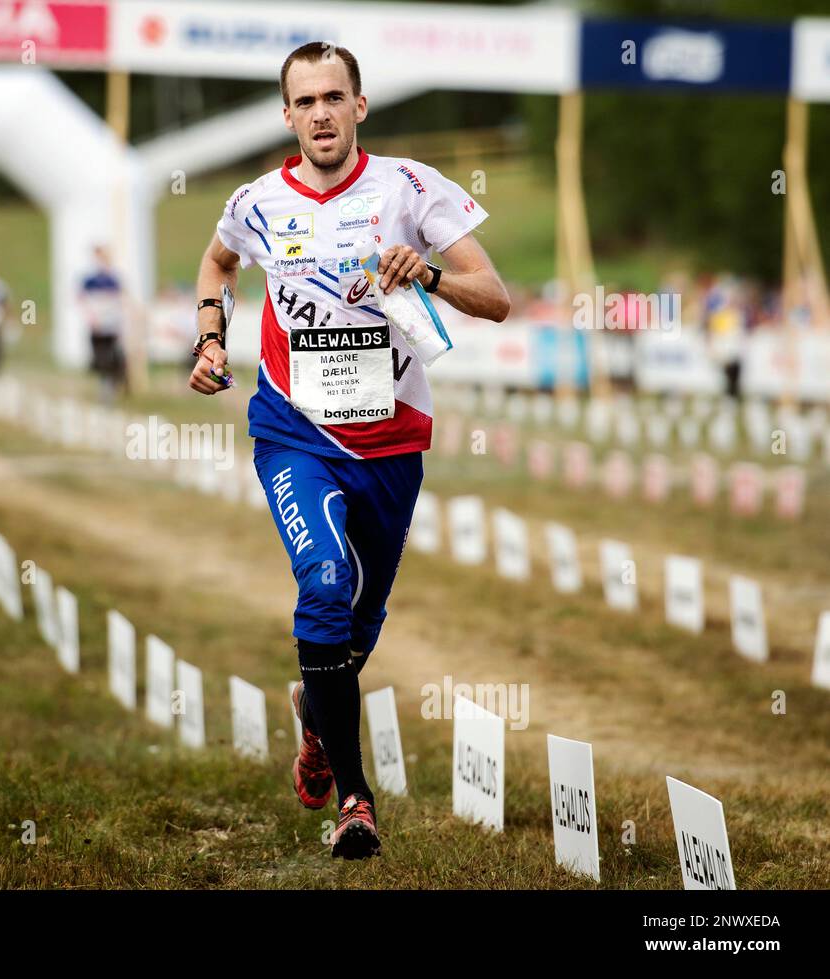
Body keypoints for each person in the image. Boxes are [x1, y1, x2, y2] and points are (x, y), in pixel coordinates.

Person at [188, 41, 509, 859]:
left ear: (359, 107)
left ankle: (316, 718)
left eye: (336, 98)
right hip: (294, 430)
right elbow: (218, 260)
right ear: (287, 115)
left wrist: (429, 275)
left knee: (358, 626)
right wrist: (211, 338)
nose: (322, 114)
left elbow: (497, 299)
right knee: (324, 587)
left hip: (393, 438)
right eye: (306, 102)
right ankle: (358, 800)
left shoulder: (409, 187)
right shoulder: (259, 201)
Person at [79, 245, 127, 401]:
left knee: (112, 355)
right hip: (97, 324)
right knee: (99, 357)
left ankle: (112, 384)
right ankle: (104, 384)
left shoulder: (113, 279)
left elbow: (120, 300)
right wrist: (90, 317)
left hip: (111, 325)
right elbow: (82, 299)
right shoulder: (90, 279)